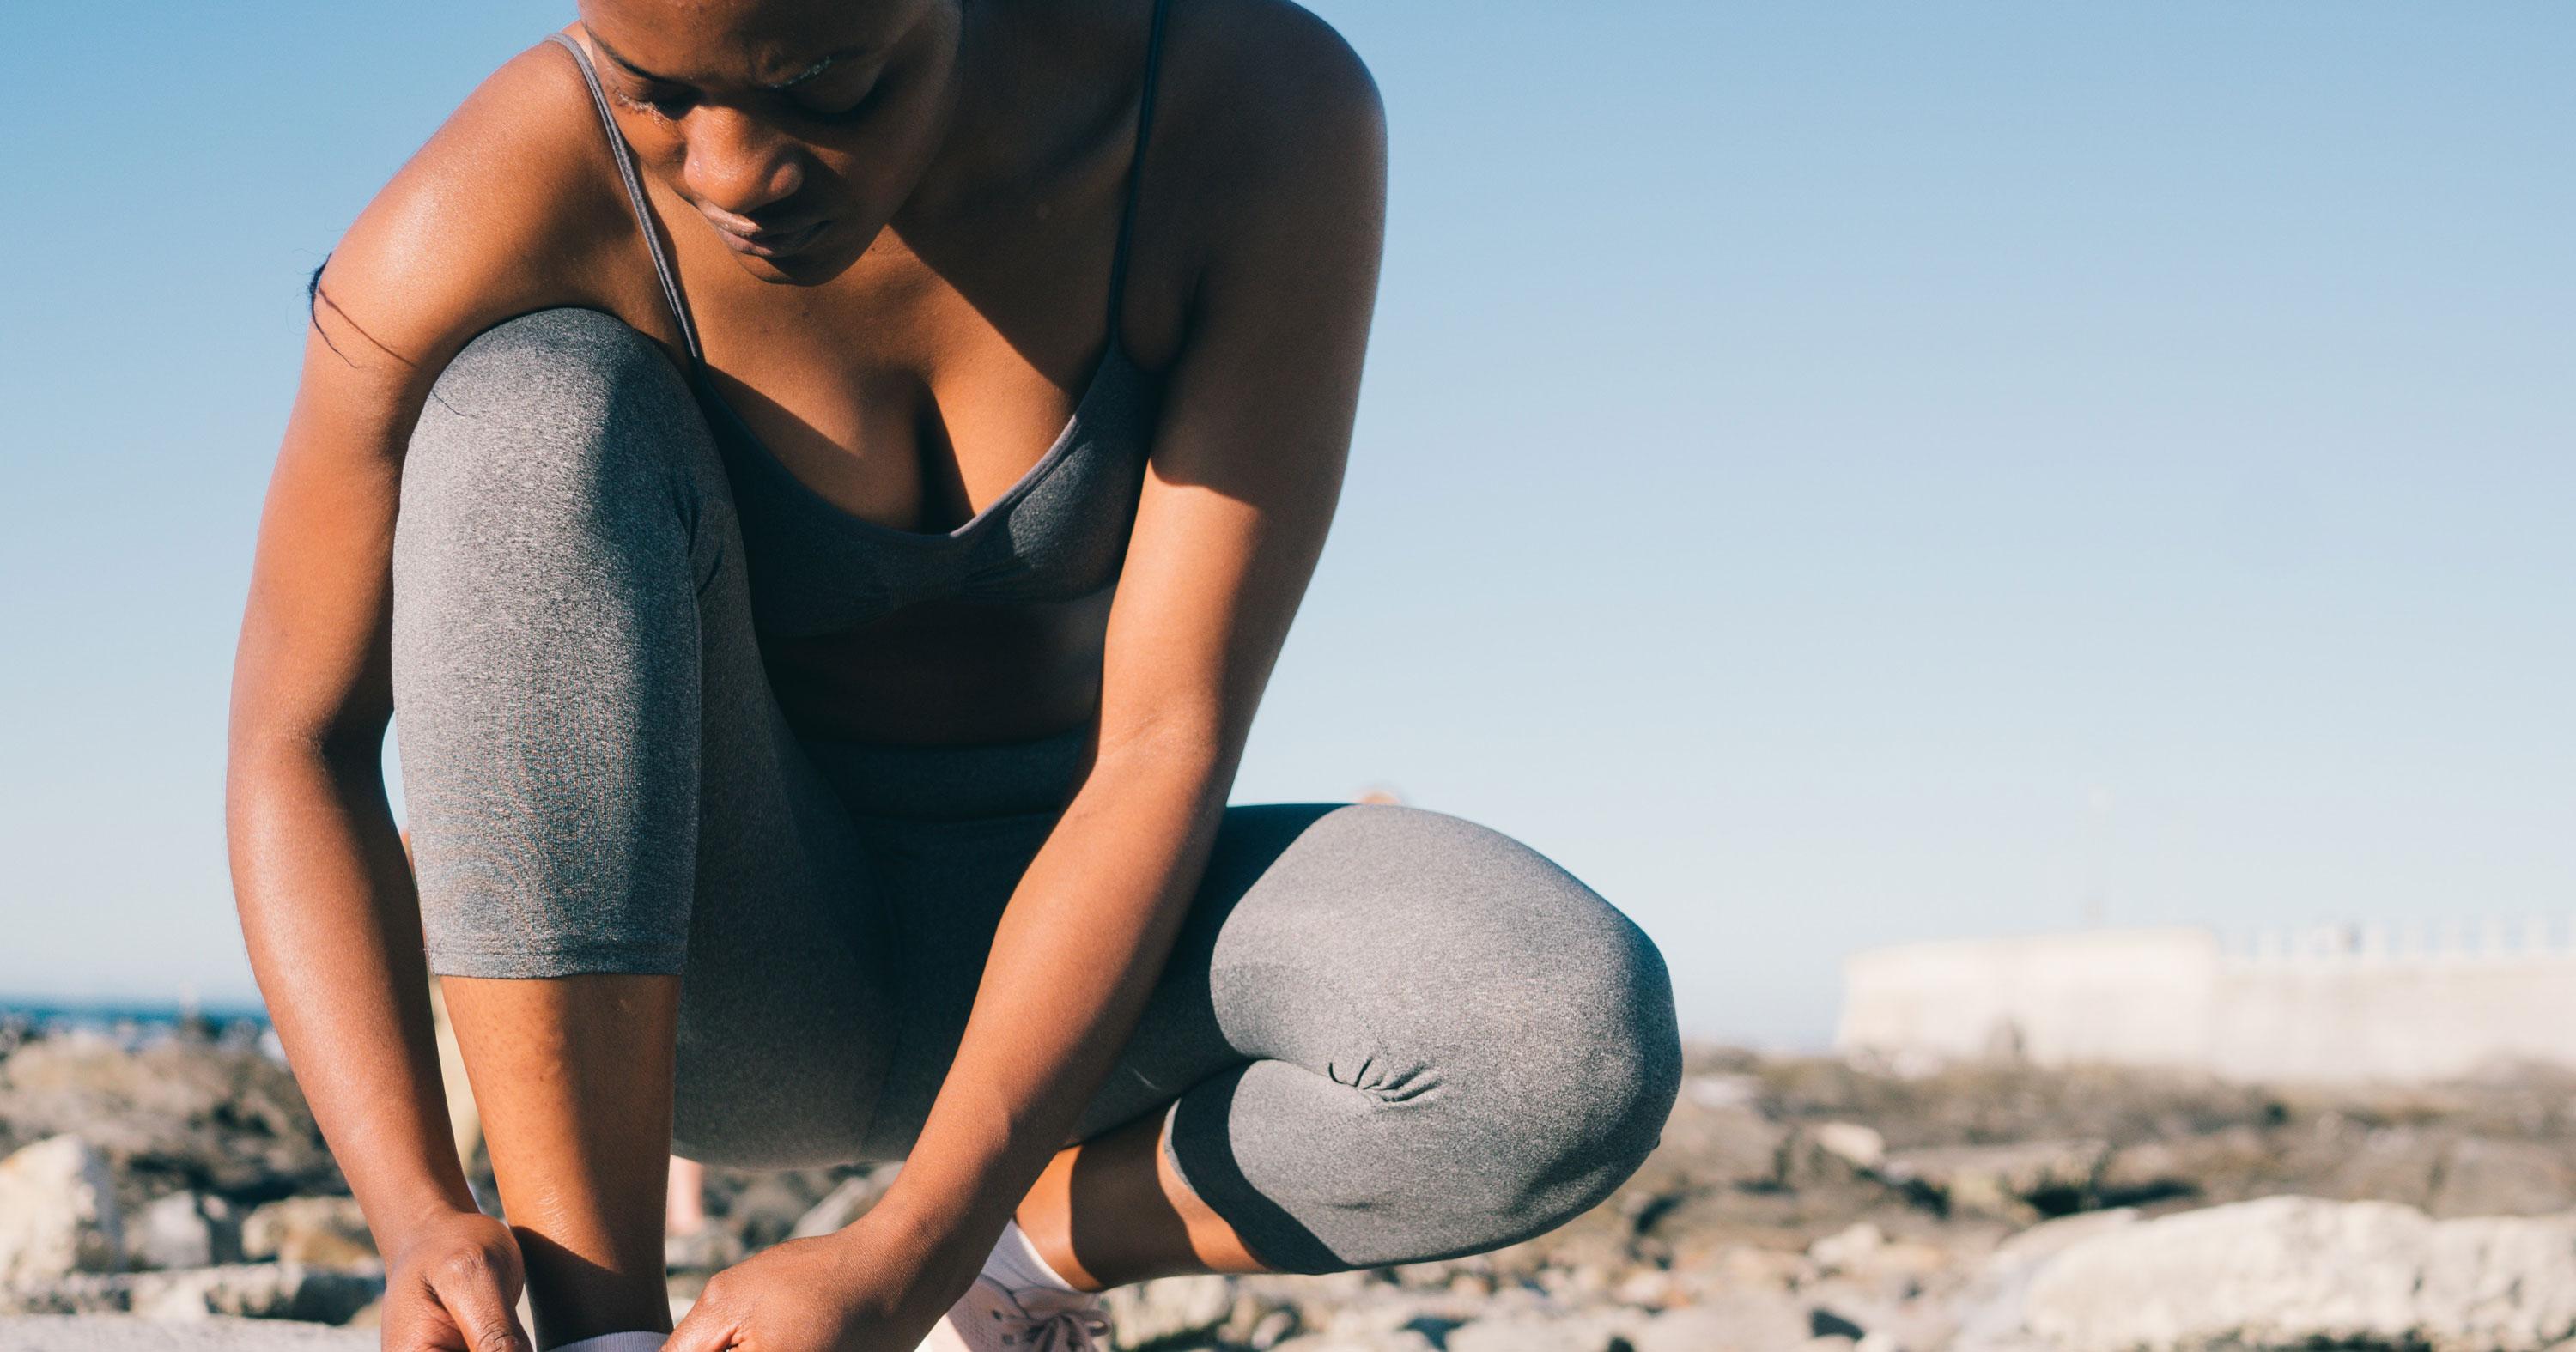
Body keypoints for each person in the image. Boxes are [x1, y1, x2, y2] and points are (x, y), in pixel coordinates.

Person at [223, 2, 1683, 1350]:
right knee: (525, 411)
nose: (733, 170)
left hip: (1101, 978)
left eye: (824, 82)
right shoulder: (490, 205)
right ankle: (605, 1330)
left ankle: (1017, 1274)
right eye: (657, 93)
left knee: (1557, 1035)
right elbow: (298, 741)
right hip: (725, 987)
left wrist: (928, 1246)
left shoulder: (1251, 113)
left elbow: (1164, 746)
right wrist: (415, 1209)